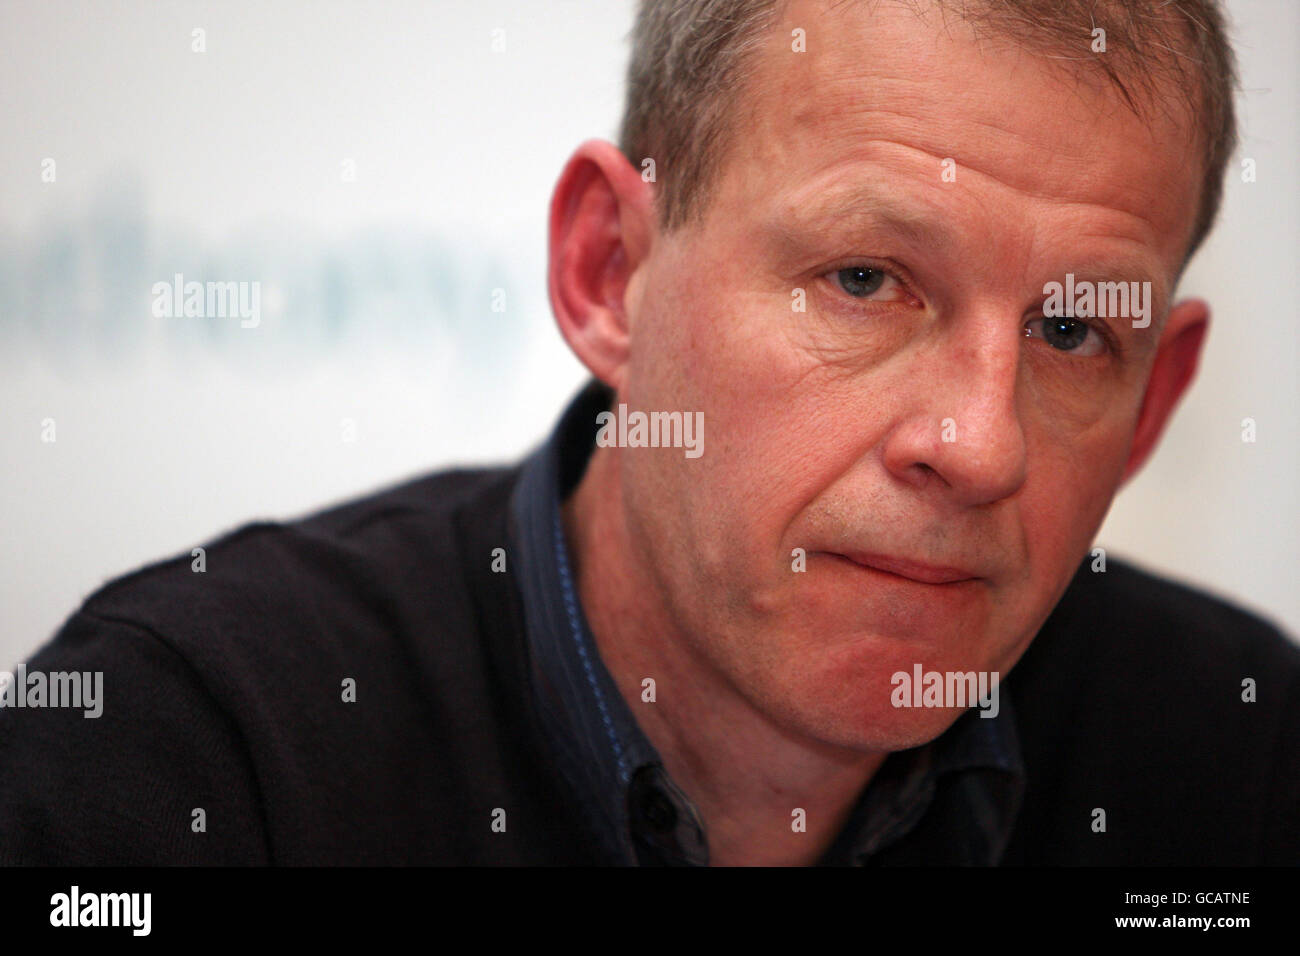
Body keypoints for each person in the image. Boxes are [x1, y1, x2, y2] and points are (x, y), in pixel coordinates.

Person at [1, 0, 1296, 866]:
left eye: (1073, 332)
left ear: (1153, 402)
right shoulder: (199, 749)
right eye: (864, 279)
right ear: (610, 273)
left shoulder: (1241, 765)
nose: (978, 445)